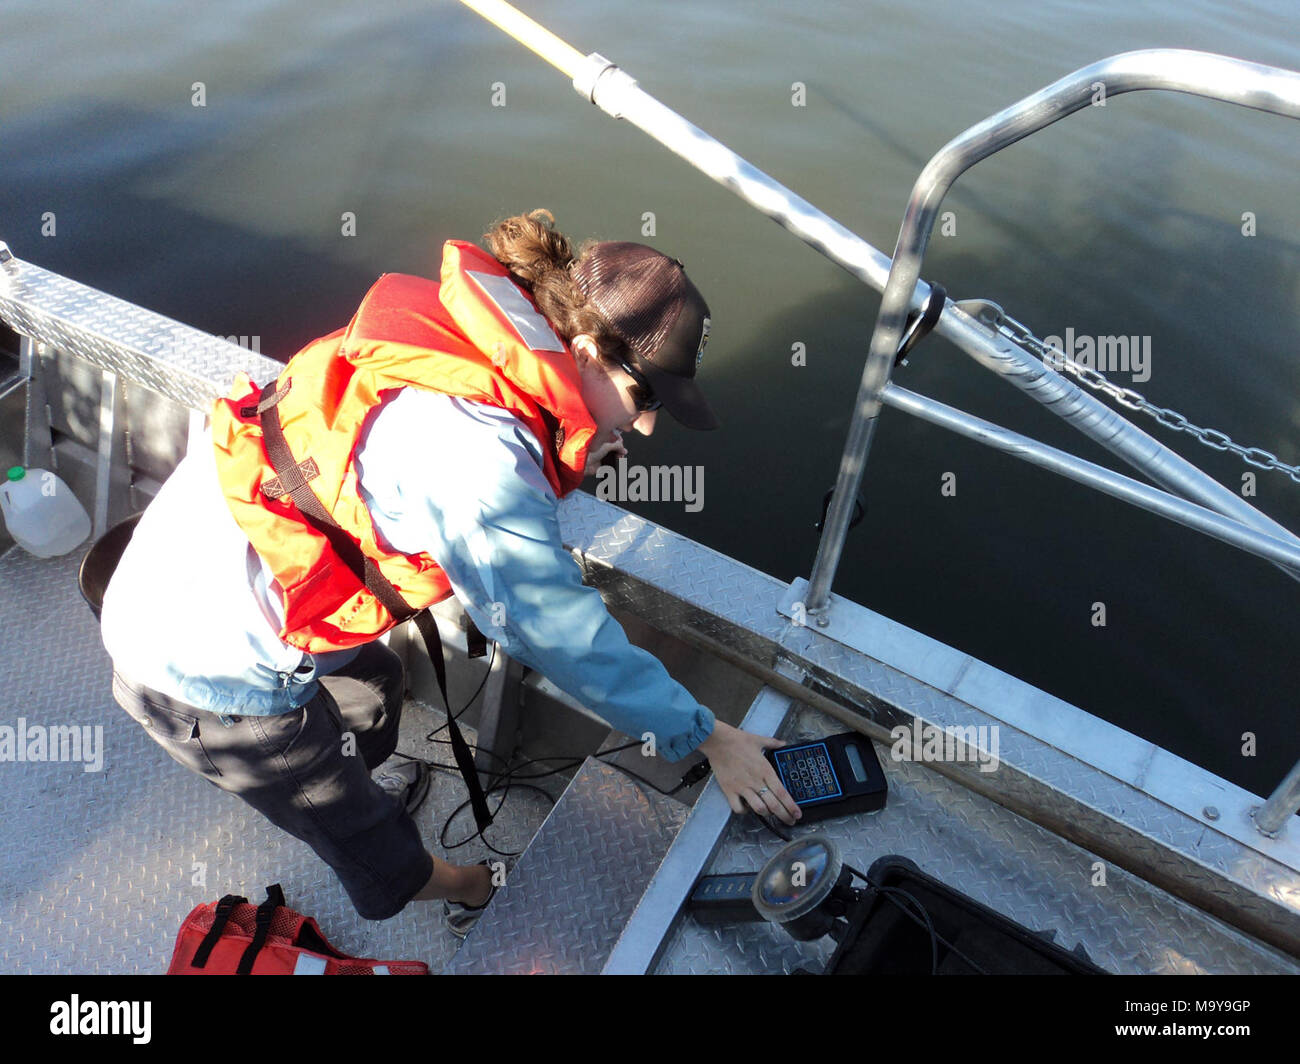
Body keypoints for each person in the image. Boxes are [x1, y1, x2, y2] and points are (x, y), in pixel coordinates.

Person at [99, 209, 799, 935]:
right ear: (586, 350)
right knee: (357, 833)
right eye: (646, 395)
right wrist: (705, 735)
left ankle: (361, 774)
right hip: (201, 669)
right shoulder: (477, 460)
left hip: (192, 576)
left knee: (376, 688)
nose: (650, 424)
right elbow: (556, 632)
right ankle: (469, 890)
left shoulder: (471, 344)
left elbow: (465, 446)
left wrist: (570, 448)